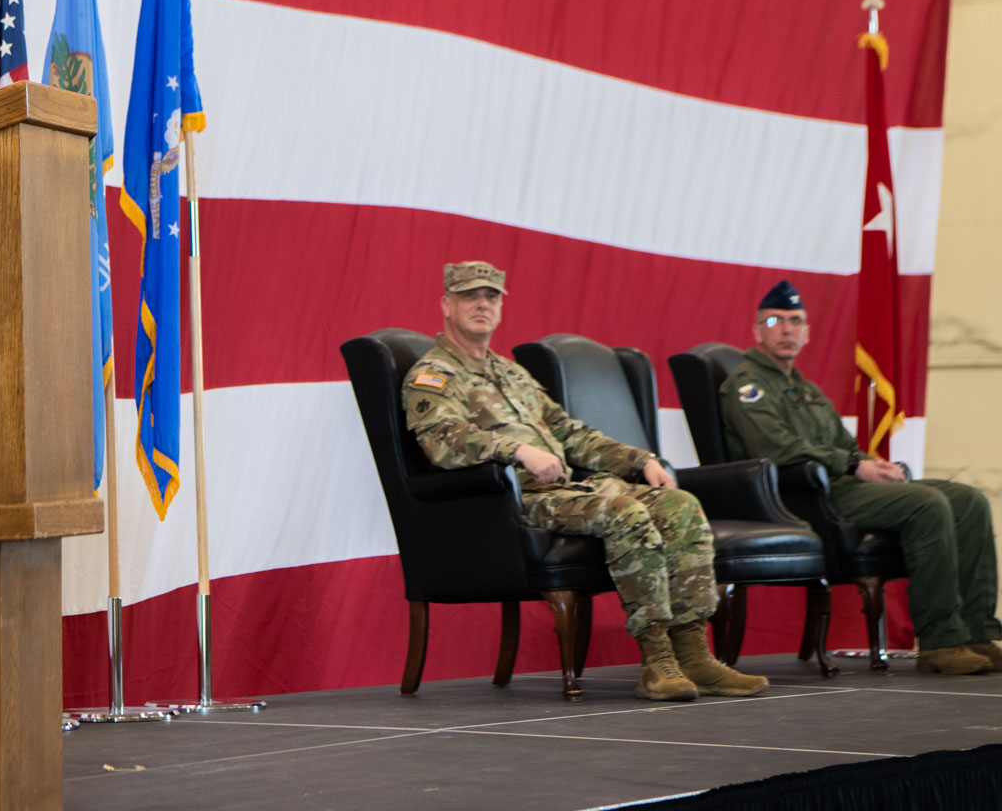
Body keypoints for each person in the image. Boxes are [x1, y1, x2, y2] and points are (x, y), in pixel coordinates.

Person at [402, 261, 767, 700]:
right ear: (446, 304)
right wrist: (517, 450)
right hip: (511, 500)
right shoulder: (433, 374)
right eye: (469, 295)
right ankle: (657, 660)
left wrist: (640, 460)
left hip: (569, 490)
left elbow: (572, 434)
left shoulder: (512, 374)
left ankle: (693, 654)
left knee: (681, 505)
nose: (482, 303)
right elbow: (443, 442)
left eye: (492, 296)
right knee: (626, 513)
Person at [720, 280, 1002, 676]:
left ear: (807, 332)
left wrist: (879, 466)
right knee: (928, 503)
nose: (786, 329)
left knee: (969, 499)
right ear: (757, 330)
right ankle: (941, 641)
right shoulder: (749, 386)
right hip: (805, 497)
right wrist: (854, 466)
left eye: (795, 321)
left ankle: (977, 633)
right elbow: (777, 450)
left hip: (843, 485)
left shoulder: (807, 389)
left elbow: (846, 447)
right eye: (775, 320)